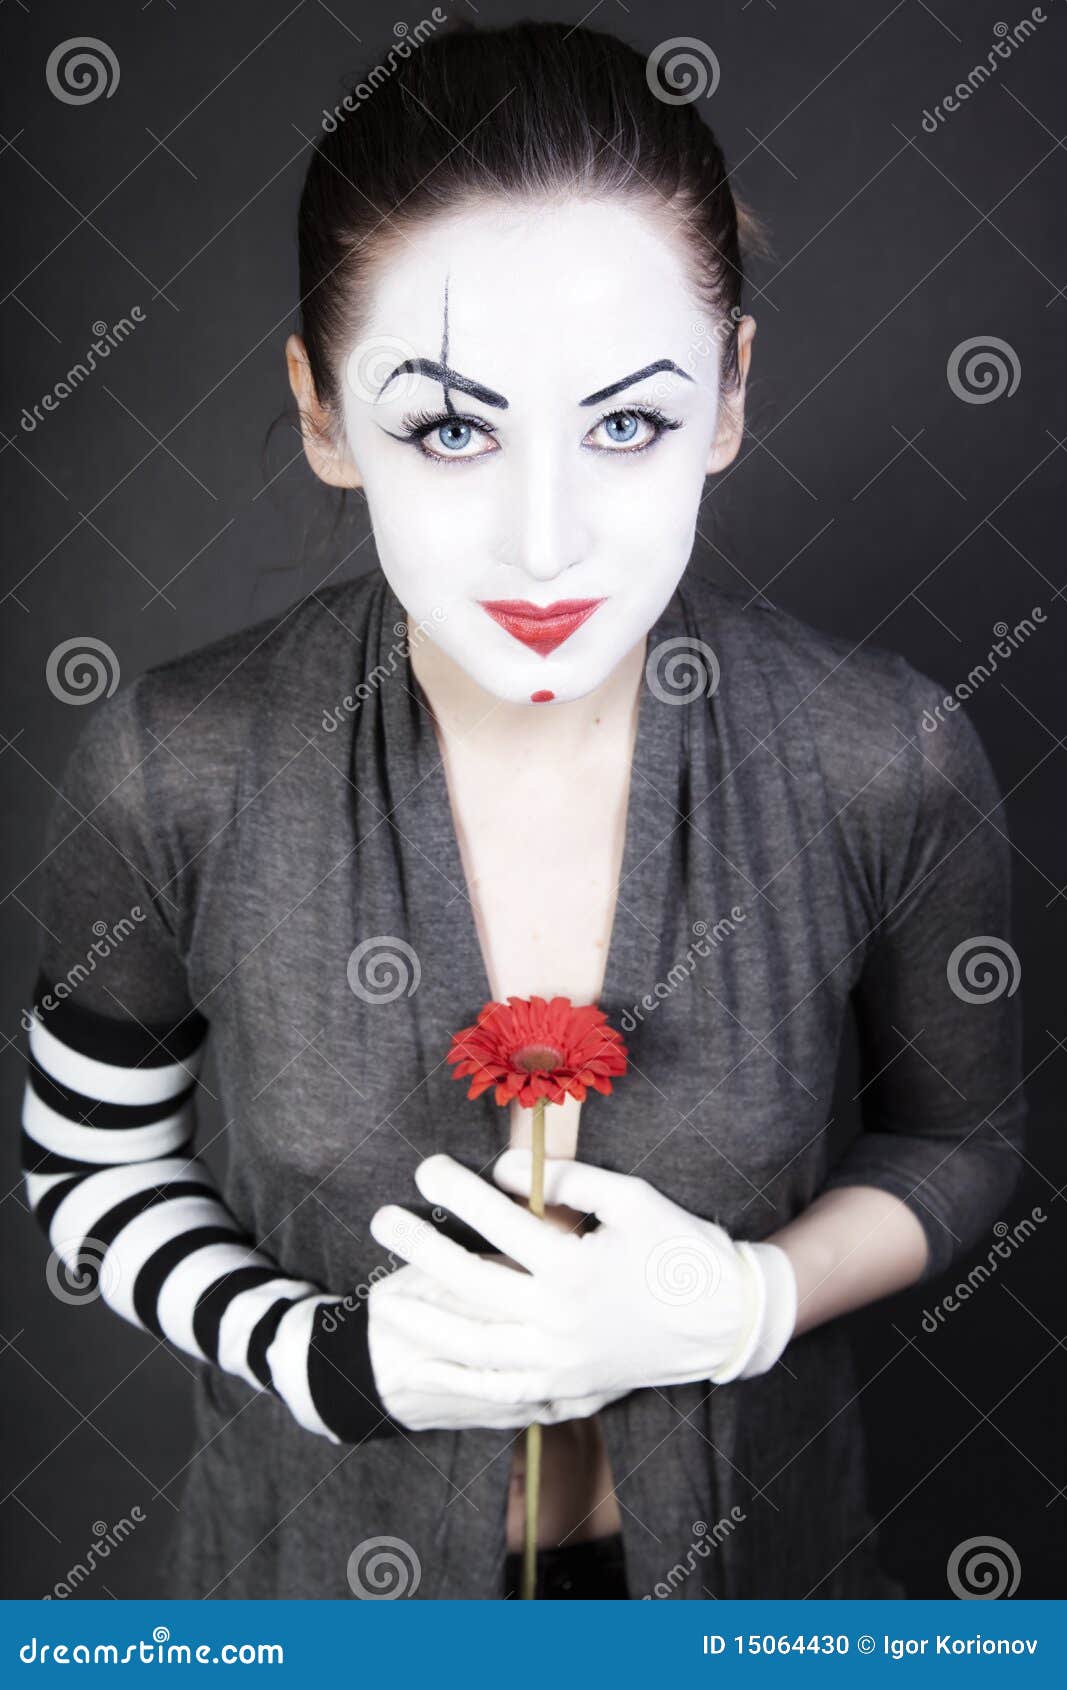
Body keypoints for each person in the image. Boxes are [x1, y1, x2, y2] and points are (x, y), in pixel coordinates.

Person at [19, 19, 1025, 1601]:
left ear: (729, 396)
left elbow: (964, 1139)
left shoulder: (881, 754)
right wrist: (324, 1355)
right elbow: (86, 1172)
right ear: (323, 415)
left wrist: (755, 1298)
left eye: (626, 422)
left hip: (765, 1593)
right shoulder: (176, 762)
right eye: (450, 426)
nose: (547, 541)